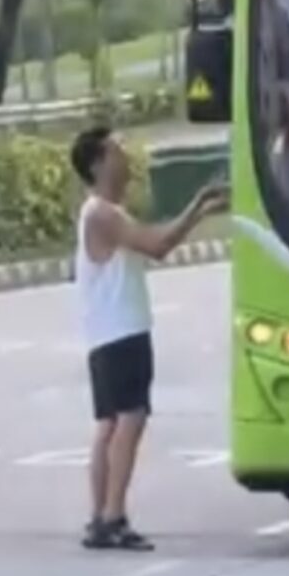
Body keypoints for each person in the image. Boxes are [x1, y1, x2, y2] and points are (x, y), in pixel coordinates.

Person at [69, 126, 229, 552]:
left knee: (109, 425)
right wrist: (198, 207)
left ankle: (100, 517)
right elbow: (158, 245)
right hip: (121, 332)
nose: (125, 158)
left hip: (106, 332)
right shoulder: (103, 213)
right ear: (98, 164)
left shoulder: (101, 212)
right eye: (117, 151)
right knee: (129, 419)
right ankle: (113, 515)